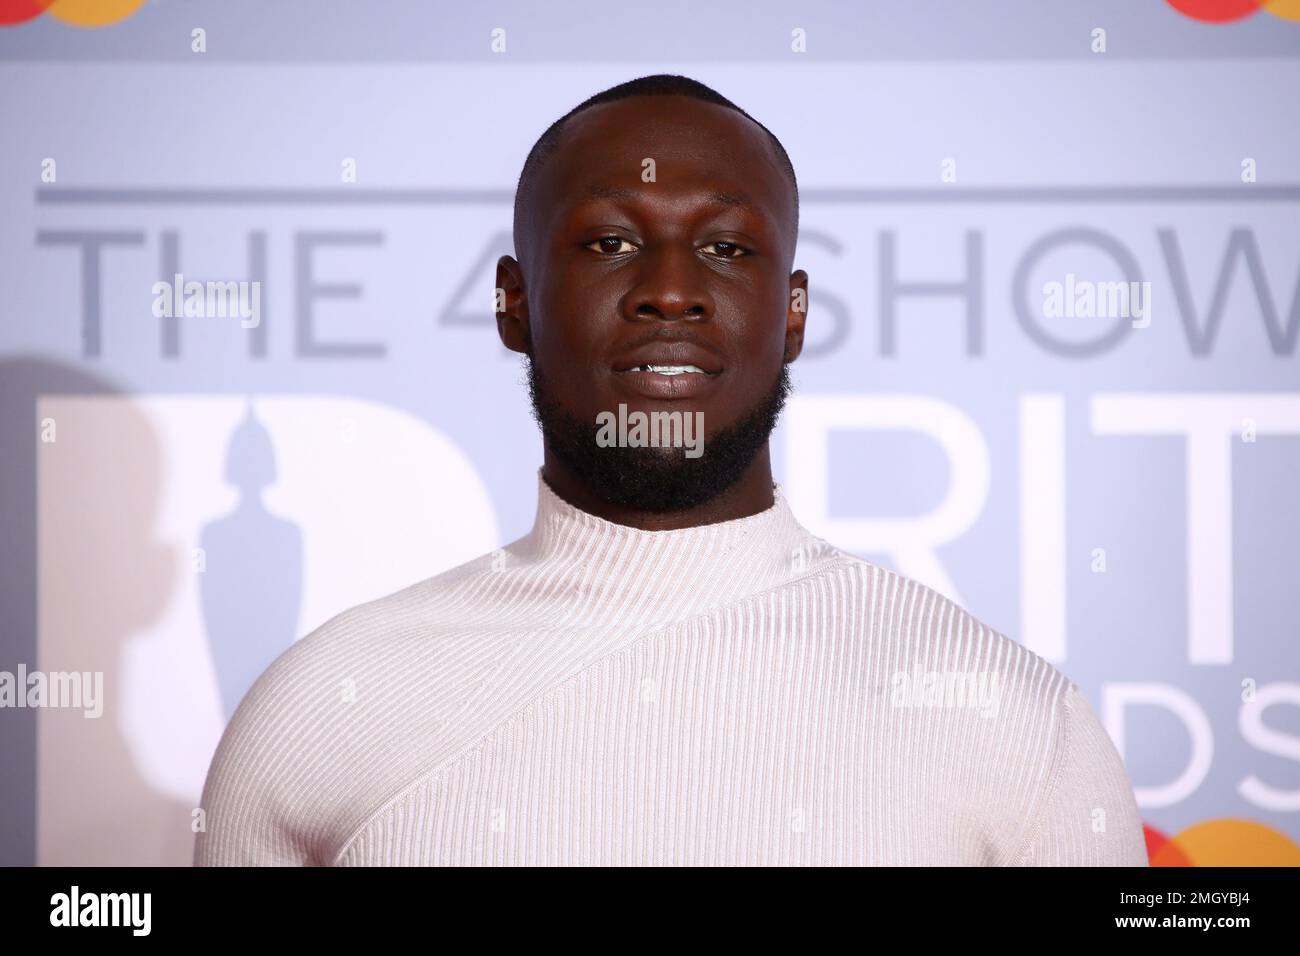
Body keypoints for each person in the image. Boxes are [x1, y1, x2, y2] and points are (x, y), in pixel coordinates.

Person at [194, 73, 1147, 866]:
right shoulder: (323, 708)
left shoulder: (1016, 725)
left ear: (794, 313)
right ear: (513, 303)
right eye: (610, 243)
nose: (670, 292)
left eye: (728, 249)